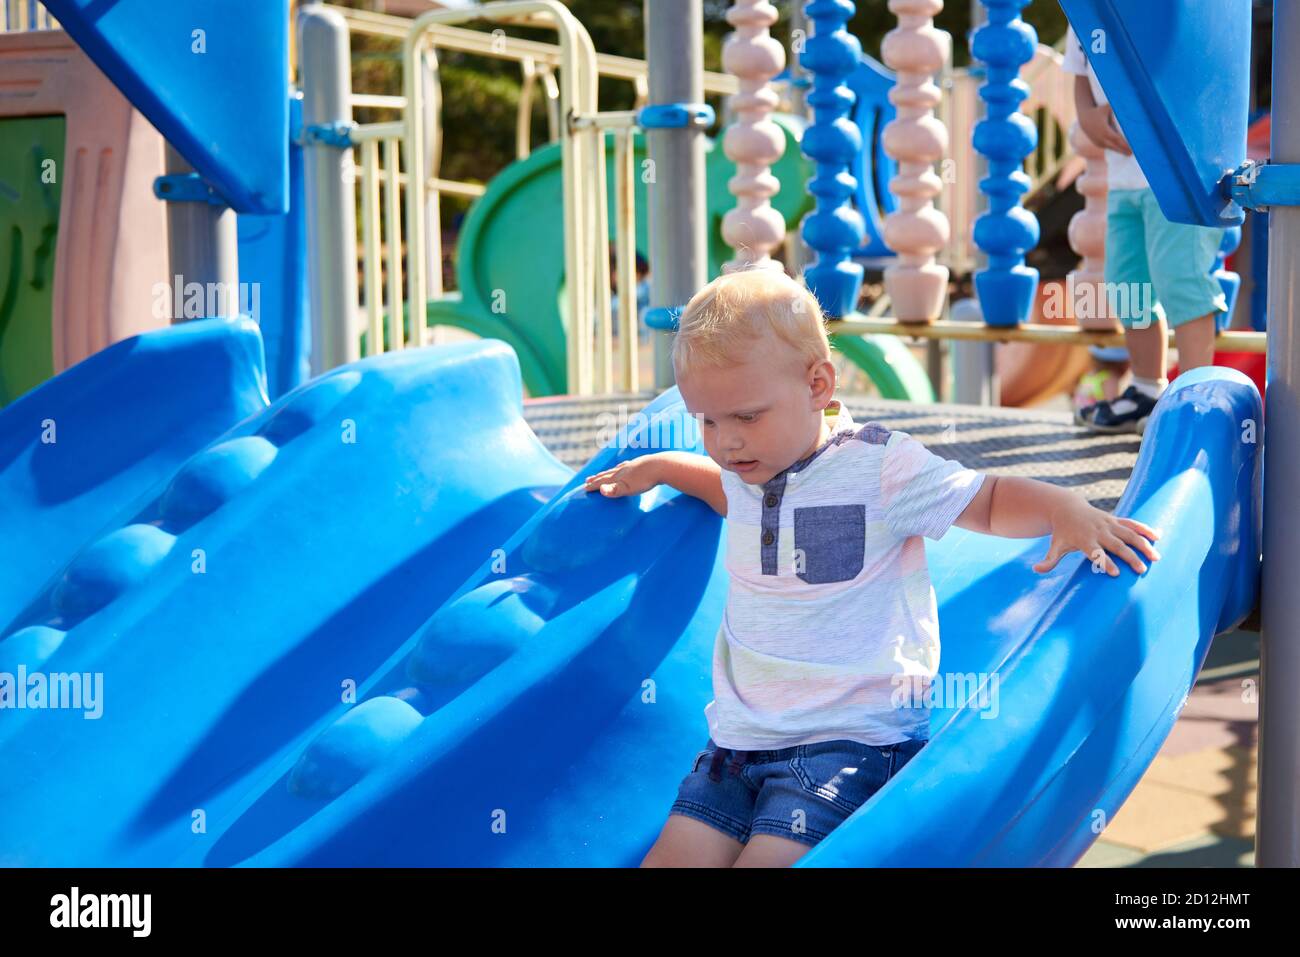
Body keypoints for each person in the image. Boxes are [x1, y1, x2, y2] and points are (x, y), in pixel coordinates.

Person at [582, 269, 1161, 867]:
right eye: (708, 421)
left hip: (848, 745)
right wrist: (660, 468)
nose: (726, 442)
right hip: (736, 747)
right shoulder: (750, 468)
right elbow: (727, 492)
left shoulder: (880, 466)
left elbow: (984, 499)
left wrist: (1064, 507)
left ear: (817, 385)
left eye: (746, 417)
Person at [1063, 25, 1228, 434]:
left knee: (1181, 278)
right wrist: (1086, 115)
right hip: (1123, 181)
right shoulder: (1083, 11)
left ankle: (1194, 403)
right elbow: (1081, 77)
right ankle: (1146, 389)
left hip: (1178, 171)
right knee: (1126, 283)